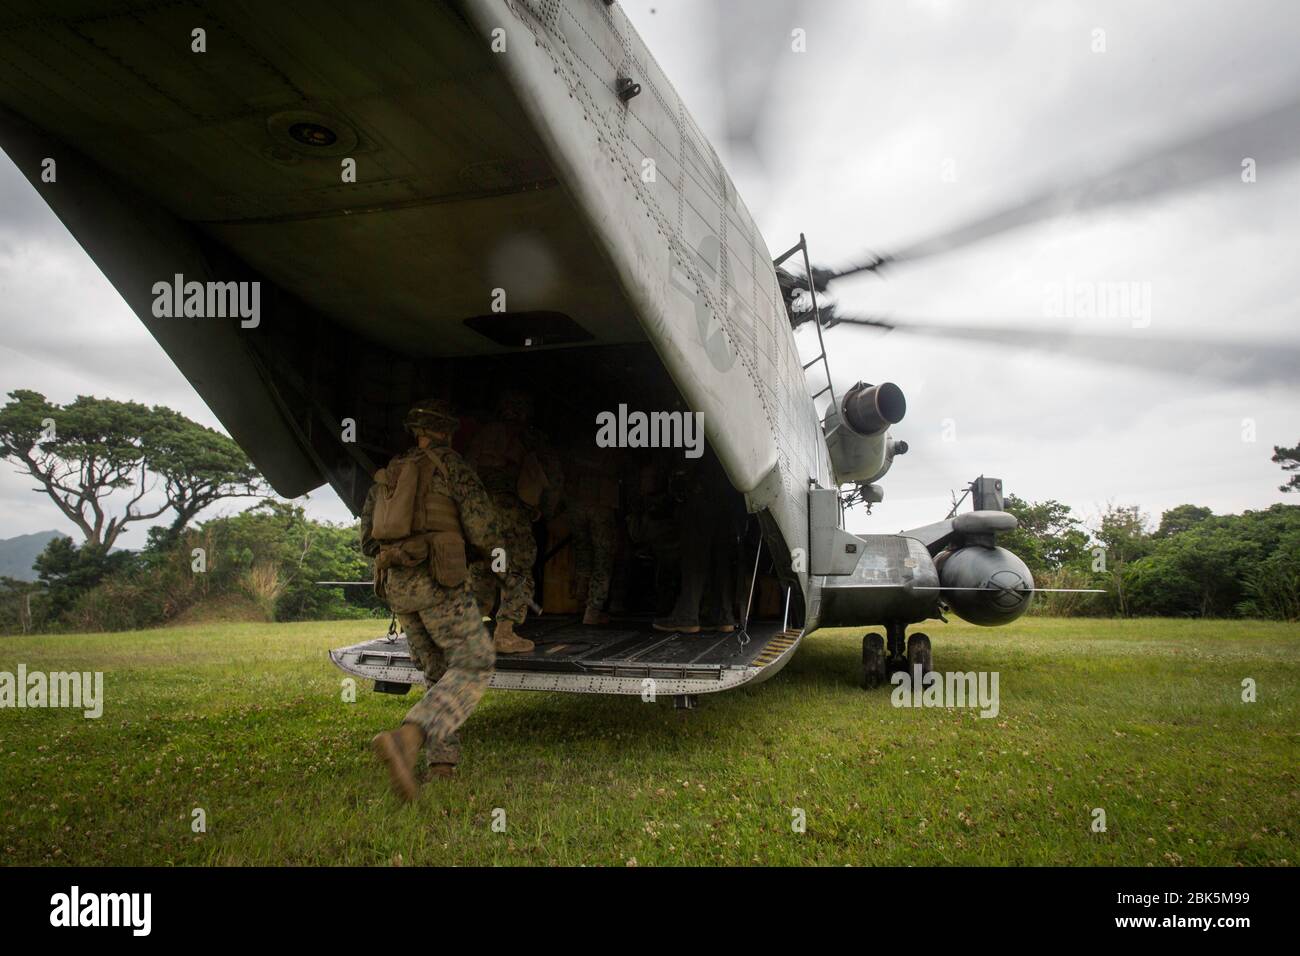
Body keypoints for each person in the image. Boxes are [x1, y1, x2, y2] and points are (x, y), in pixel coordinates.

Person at [363, 398, 502, 801]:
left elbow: (367, 539)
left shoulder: (389, 473)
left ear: (415, 432)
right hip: (441, 581)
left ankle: (442, 763)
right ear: (448, 431)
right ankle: (409, 737)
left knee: (438, 670)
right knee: (475, 661)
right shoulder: (452, 467)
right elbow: (484, 529)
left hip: (399, 588)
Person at [467, 389, 556, 654]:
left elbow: (467, 471)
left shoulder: (481, 435)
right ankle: (504, 633)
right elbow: (547, 474)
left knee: (482, 568)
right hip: (509, 509)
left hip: (478, 514)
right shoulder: (527, 437)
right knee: (517, 569)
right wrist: (542, 509)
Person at [653, 449, 744, 634]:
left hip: (702, 496)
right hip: (727, 502)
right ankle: (723, 617)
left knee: (694, 558)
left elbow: (686, 465)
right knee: (721, 563)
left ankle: (687, 616)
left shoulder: (698, 435)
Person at [564, 438, 620, 625]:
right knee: (602, 559)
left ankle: (580, 605)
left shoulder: (576, 446)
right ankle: (592, 610)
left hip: (577, 504)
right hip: (601, 505)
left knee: (583, 555)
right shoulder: (611, 444)